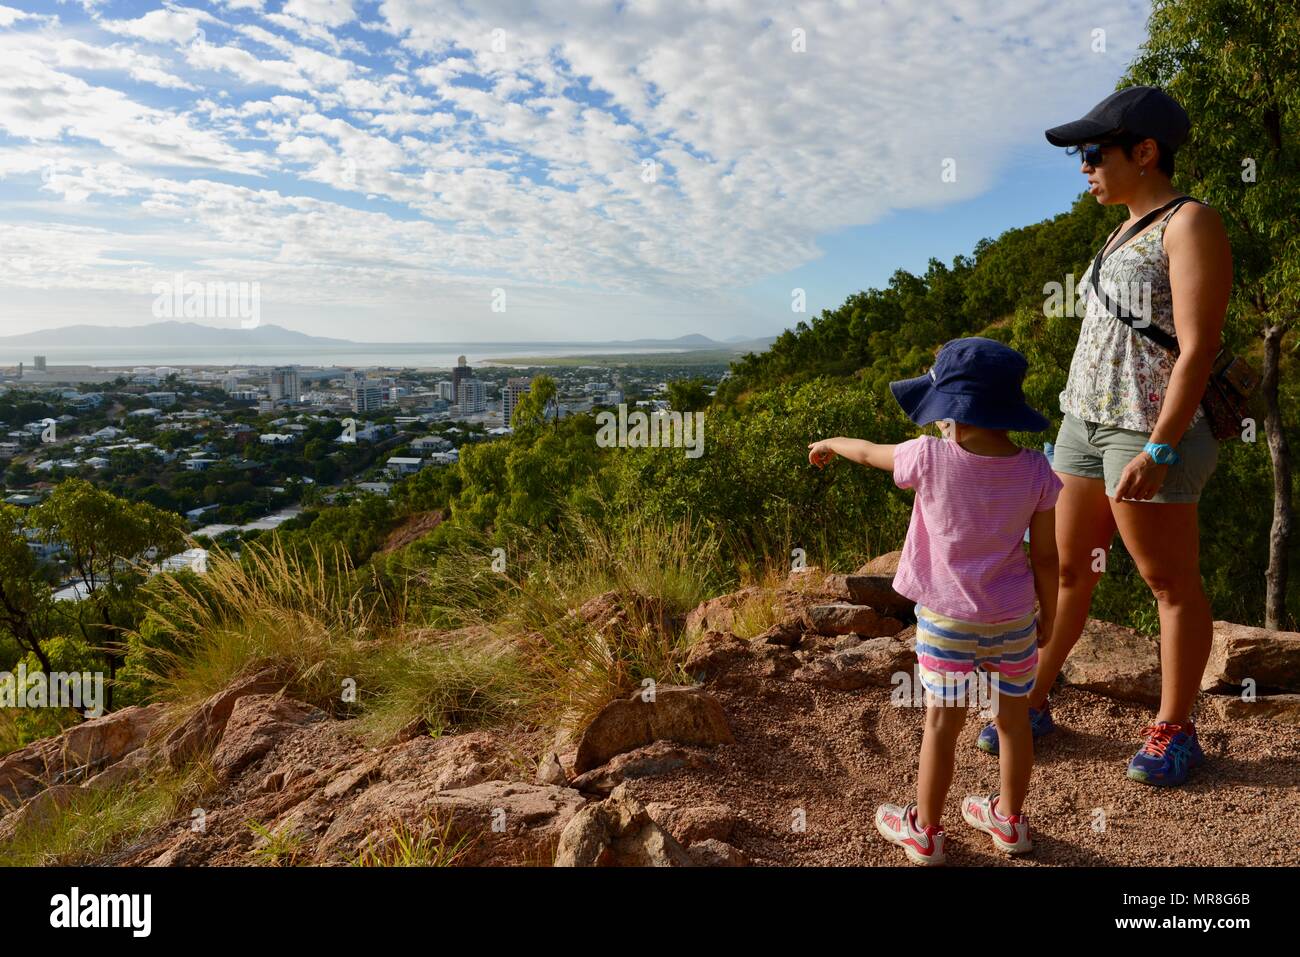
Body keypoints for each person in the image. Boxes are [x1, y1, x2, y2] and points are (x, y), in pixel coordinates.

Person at [974, 86, 1232, 788]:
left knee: (1167, 581)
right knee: (1065, 568)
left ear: (1144, 152)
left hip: (1146, 427)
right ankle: (1031, 699)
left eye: (1093, 154)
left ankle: (1175, 727)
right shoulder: (1119, 228)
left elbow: (1198, 347)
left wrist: (1161, 445)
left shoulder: (1190, 224)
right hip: (1082, 422)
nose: (1084, 168)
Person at [808, 337, 1061, 865]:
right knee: (1014, 722)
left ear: (953, 413)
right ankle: (1011, 823)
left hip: (947, 621)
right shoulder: (1036, 470)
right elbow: (1047, 559)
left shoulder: (926, 457)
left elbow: (870, 452)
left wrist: (831, 441)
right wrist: (1050, 616)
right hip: (1013, 618)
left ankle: (925, 832)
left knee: (941, 725)